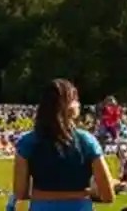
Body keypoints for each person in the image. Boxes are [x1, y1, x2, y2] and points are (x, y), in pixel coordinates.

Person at [12, 79, 115, 211]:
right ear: (67, 106)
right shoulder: (87, 141)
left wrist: (45, 194)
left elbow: (20, 193)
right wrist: (85, 193)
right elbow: (108, 195)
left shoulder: (27, 142)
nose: (79, 104)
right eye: (75, 100)